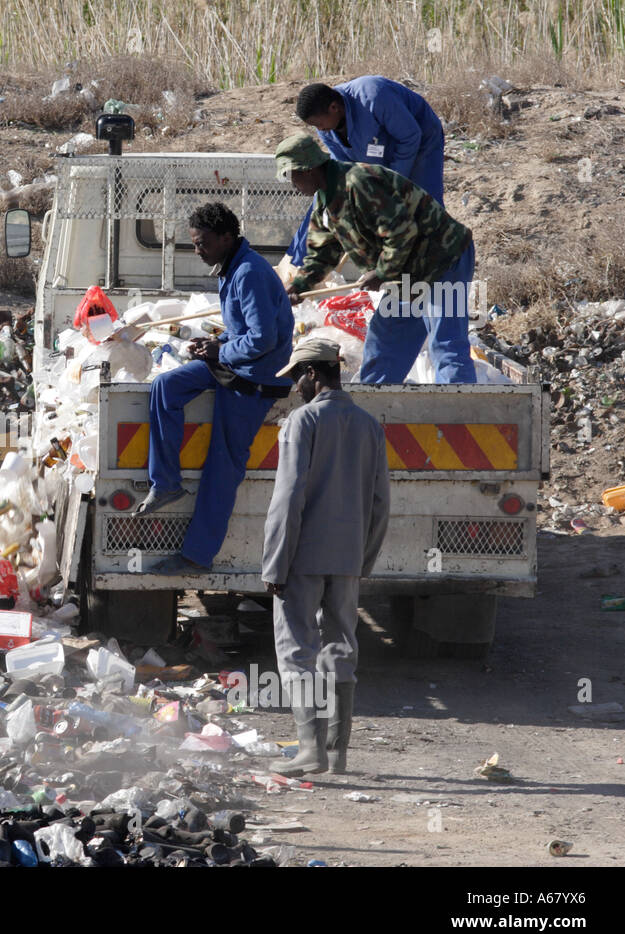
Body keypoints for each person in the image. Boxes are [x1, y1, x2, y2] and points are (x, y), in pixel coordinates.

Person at [135, 202, 294, 575]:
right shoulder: (233, 266)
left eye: (202, 243)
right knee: (166, 387)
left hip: (257, 377)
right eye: (194, 243)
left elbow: (263, 340)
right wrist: (217, 347)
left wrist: (222, 350)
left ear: (226, 237)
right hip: (234, 363)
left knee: (223, 467)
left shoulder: (249, 273)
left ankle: (196, 557)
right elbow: (246, 335)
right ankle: (167, 483)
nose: (197, 250)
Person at [262, 339, 390, 775]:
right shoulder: (370, 425)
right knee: (340, 649)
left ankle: (309, 750)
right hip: (347, 559)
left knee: (296, 650)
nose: (295, 386)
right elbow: (379, 502)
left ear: (314, 374)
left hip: (302, 558)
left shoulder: (302, 422)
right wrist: (363, 562)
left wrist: (275, 564)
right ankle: (337, 755)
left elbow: (288, 498)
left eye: (298, 376)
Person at [276, 132, 477, 384]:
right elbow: (322, 252)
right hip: (405, 272)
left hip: (443, 260)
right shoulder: (324, 203)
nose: (292, 184)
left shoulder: (359, 183)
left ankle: (460, 412)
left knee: (445, 342)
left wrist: (381, 273)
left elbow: (402, 232)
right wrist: (299, 285)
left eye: (290, 176)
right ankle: (375, 404)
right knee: (385, 340)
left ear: (306, 169)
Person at [285, 77, 446, 268]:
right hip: (378, 148)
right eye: (314, 126)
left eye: (318, 123)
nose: (319, 129)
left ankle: (439, 261)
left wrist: (390, 184)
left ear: (334, 108)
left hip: (420, 140)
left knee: (421, 200)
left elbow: (410, 137)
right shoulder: (326, 130)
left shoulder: (374, 96)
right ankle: (299, 264)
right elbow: (344, 171)